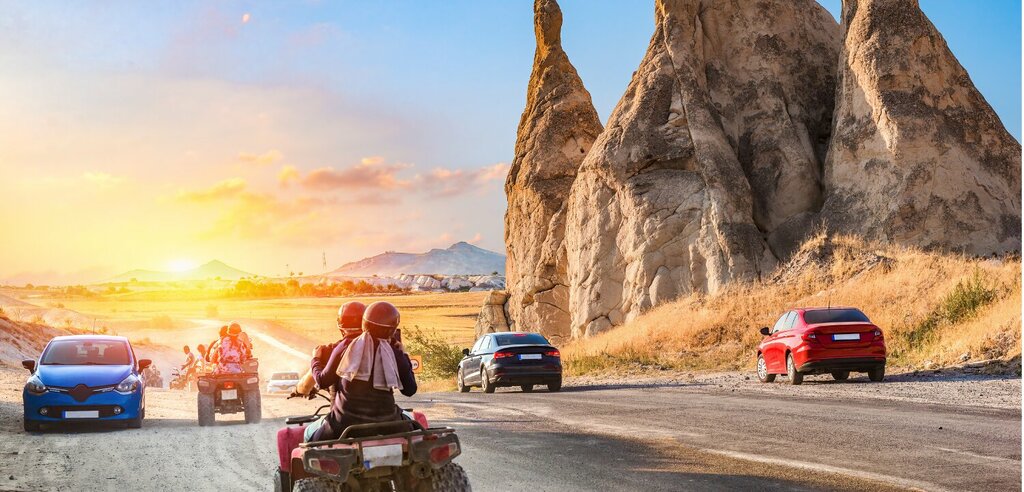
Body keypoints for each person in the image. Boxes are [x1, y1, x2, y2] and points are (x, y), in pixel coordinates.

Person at [304, 301, 416, 442]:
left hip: (342, 427)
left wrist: (315, 359)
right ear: (393, 329)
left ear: (364, 323)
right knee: (417, 429)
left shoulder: (345, 346)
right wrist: (403, 354)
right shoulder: (393, 351)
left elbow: (322, 380)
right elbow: (410, 390)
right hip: (389, 425)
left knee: (308, 436)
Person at [295, 301, 366, 398]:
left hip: (345, 410)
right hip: (384, 411)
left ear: (340, 326)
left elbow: (306, 384)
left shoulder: (331, 351)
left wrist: (298, 390)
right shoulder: (382, 347)